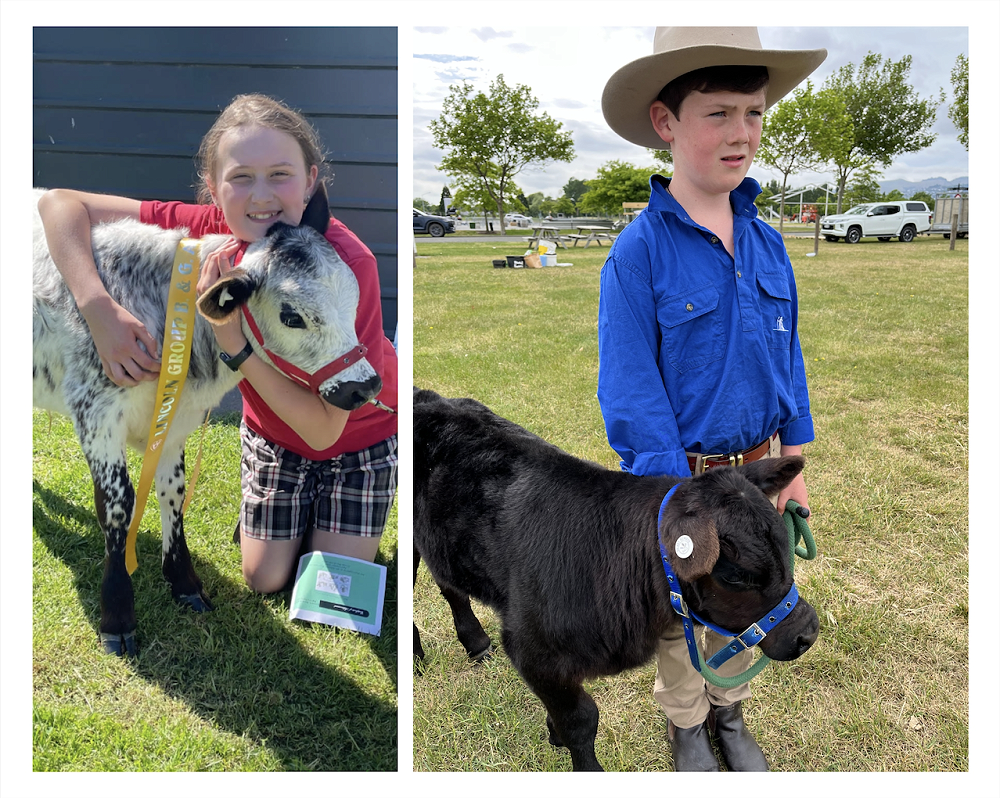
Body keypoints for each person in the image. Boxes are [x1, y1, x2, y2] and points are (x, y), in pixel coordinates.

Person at [38, 94, 398, 594]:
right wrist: (97, 306)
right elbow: (57, 203)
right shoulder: (219, 227)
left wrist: (233, 342)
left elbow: (324, 432)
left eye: (280, 174)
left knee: (331, 584)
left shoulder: (344, 264)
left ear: (311, 181)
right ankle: (281, 516)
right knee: (265, 578)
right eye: (241, 177)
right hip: (278, 435)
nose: (261, 196)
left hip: (358, 432)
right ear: (214, 189)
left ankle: (339, 501)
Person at [597, 28, 826, 771]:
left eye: (754, 113)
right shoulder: (637, 254)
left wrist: (792, 463)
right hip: (684, 483)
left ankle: (729, 709)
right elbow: (632, 394)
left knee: (749, 589)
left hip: (756, 473)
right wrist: (677, 502)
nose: (742, 134)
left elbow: (787, 358)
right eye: (719, 113)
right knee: (683, 612)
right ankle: (687, 722)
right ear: (665, 122)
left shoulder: (768, 243)